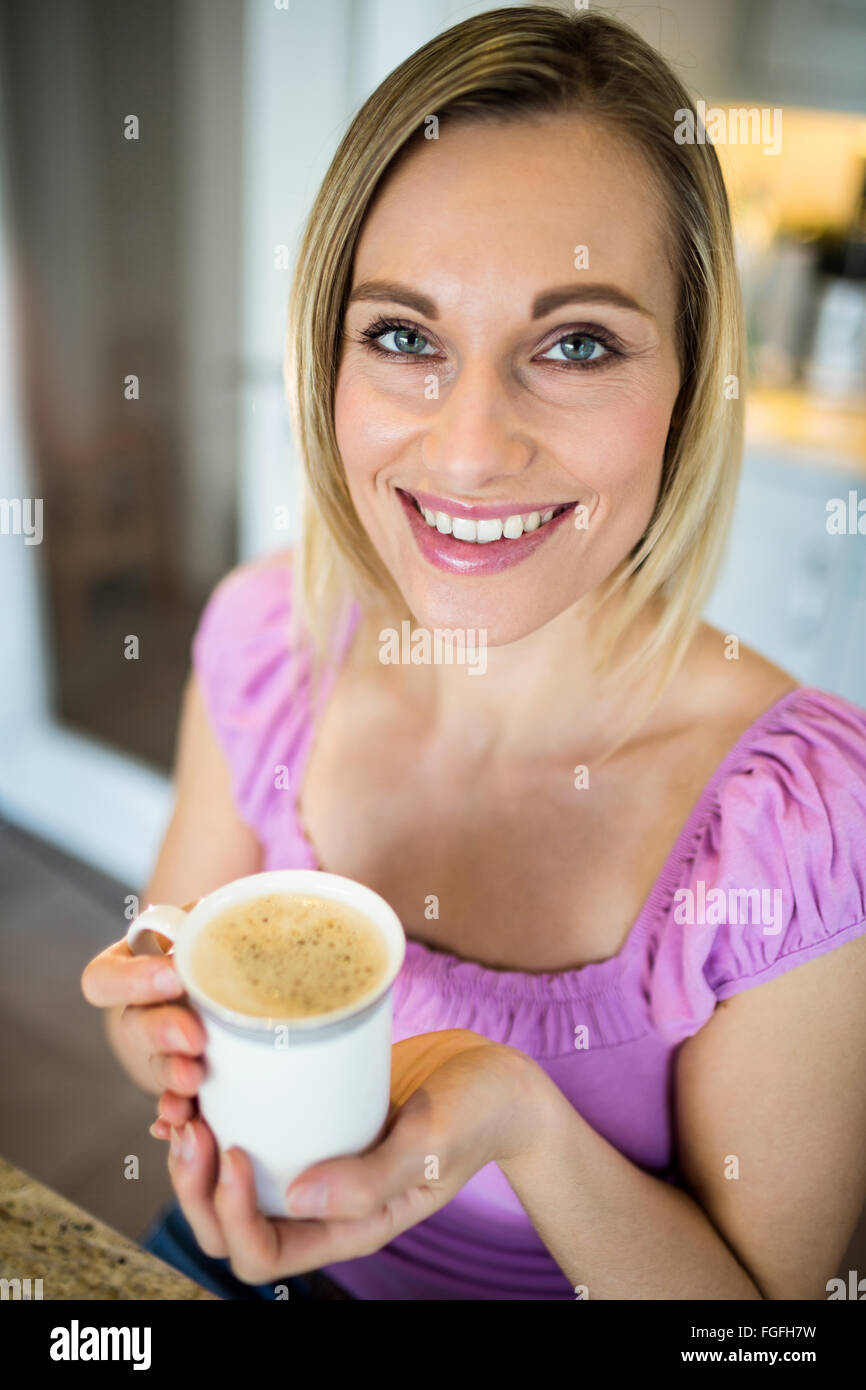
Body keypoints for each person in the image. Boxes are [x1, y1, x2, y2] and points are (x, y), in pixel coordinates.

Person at [81, 7, 866, 1301]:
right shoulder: (265, 639)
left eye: (575, 344)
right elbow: (165, 963)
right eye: (402, 335)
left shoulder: (801, 822)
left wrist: (524, 1125)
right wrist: (156, 1027)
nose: (465, 450)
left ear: (689, 382)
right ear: (327, 359)